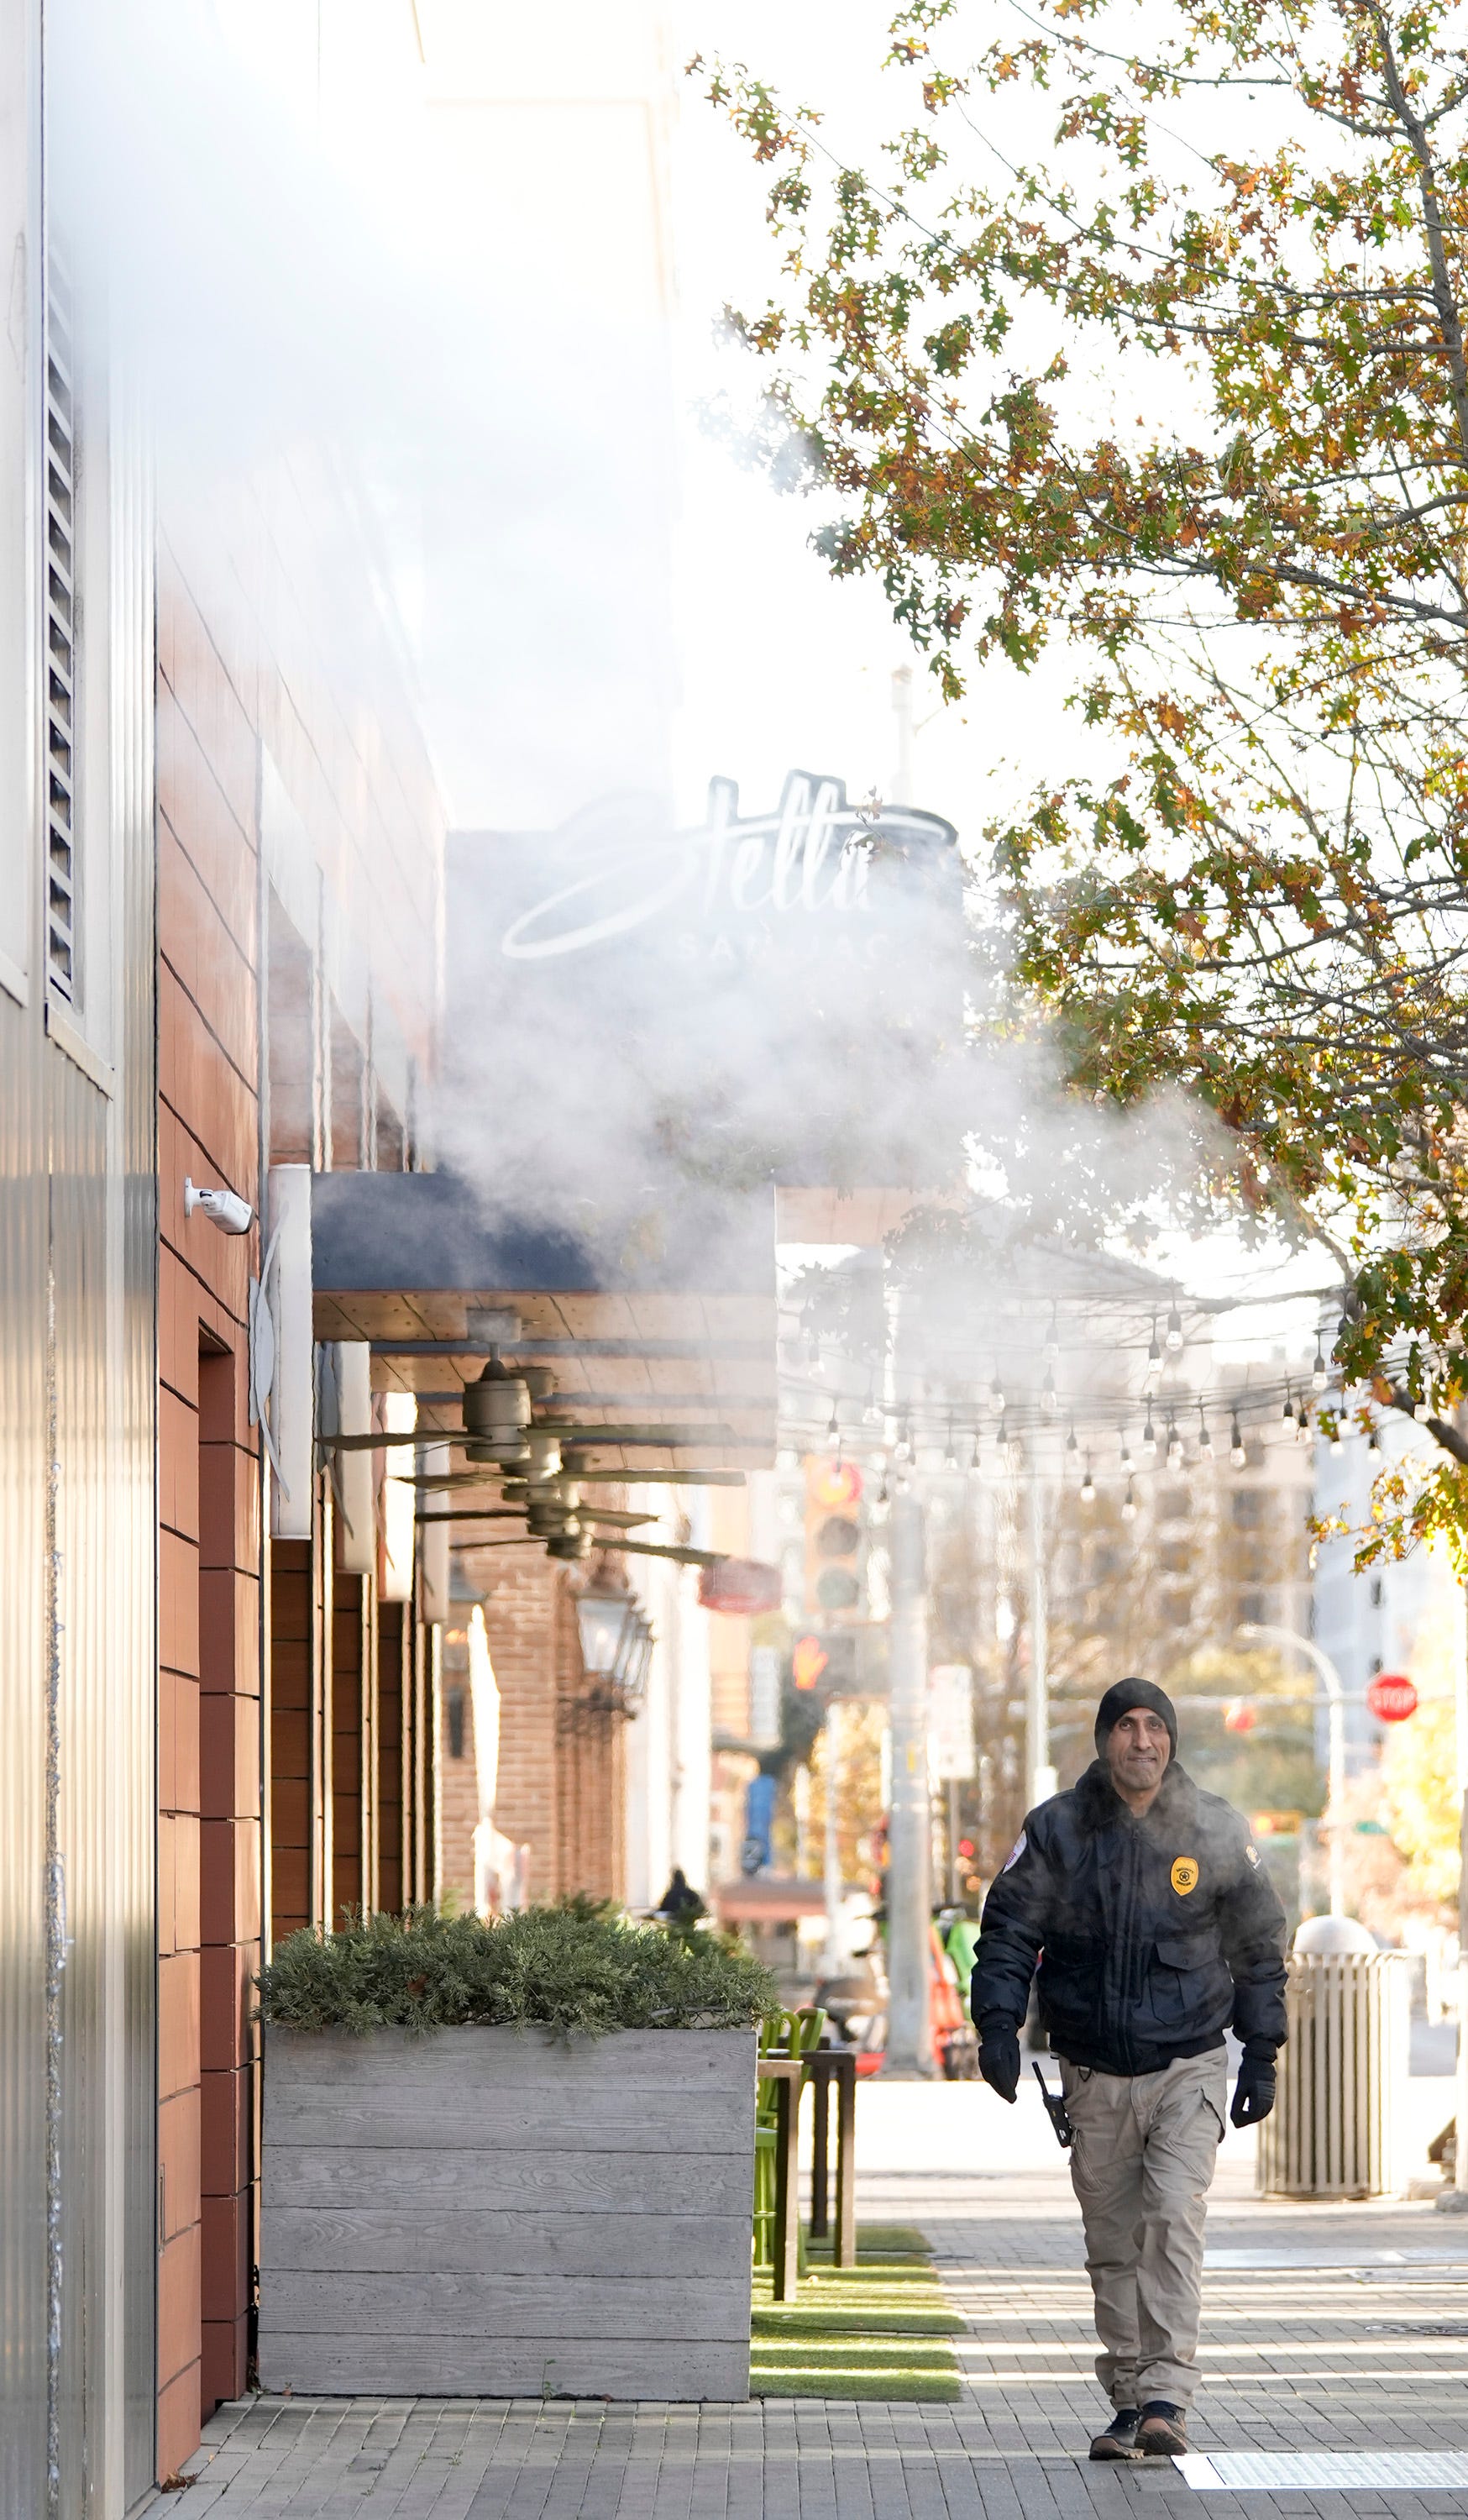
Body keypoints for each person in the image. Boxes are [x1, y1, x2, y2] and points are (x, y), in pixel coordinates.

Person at [970, 1679, 1287, 2462]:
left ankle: (1165, 2398)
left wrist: (1263, 2056)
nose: (1142, 1741)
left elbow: (1258, 1948)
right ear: (1104, 1739)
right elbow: (1008, 1930)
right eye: (1126, 1728)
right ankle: (1125, 2403)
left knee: (1173, 2223)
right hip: (1093, 2072)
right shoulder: (1056, 1830)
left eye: (1155, 1727)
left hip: (1189, 2065)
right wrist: (998, 2027)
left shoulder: (1214, 1828)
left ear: (1171, 1740)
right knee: (1113, 2243)